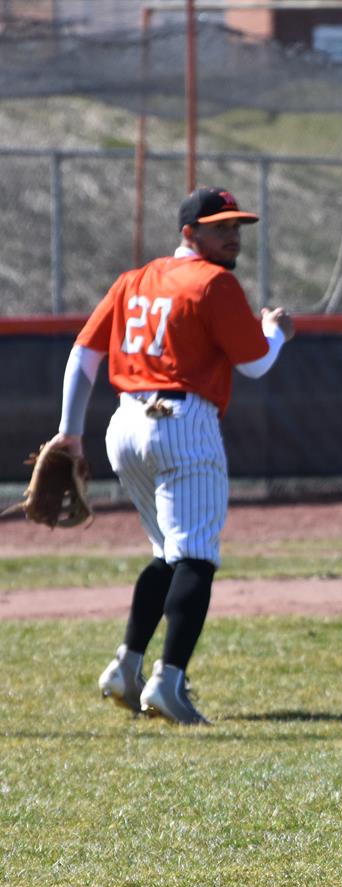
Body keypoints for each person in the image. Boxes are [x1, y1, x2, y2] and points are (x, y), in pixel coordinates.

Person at [50, 186, 295, 726]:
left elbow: (84, 353)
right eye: (220, 226)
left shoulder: (133, 280)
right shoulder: (214, 282)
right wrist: (274, 332)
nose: (232, 236)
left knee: (168, 554)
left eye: (236, 226)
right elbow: (255, 364)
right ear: (190, 233)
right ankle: (169, 682)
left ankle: (126, 668)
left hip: (125, 426)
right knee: (198, 557)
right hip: (182, 423)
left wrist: (71, 431)